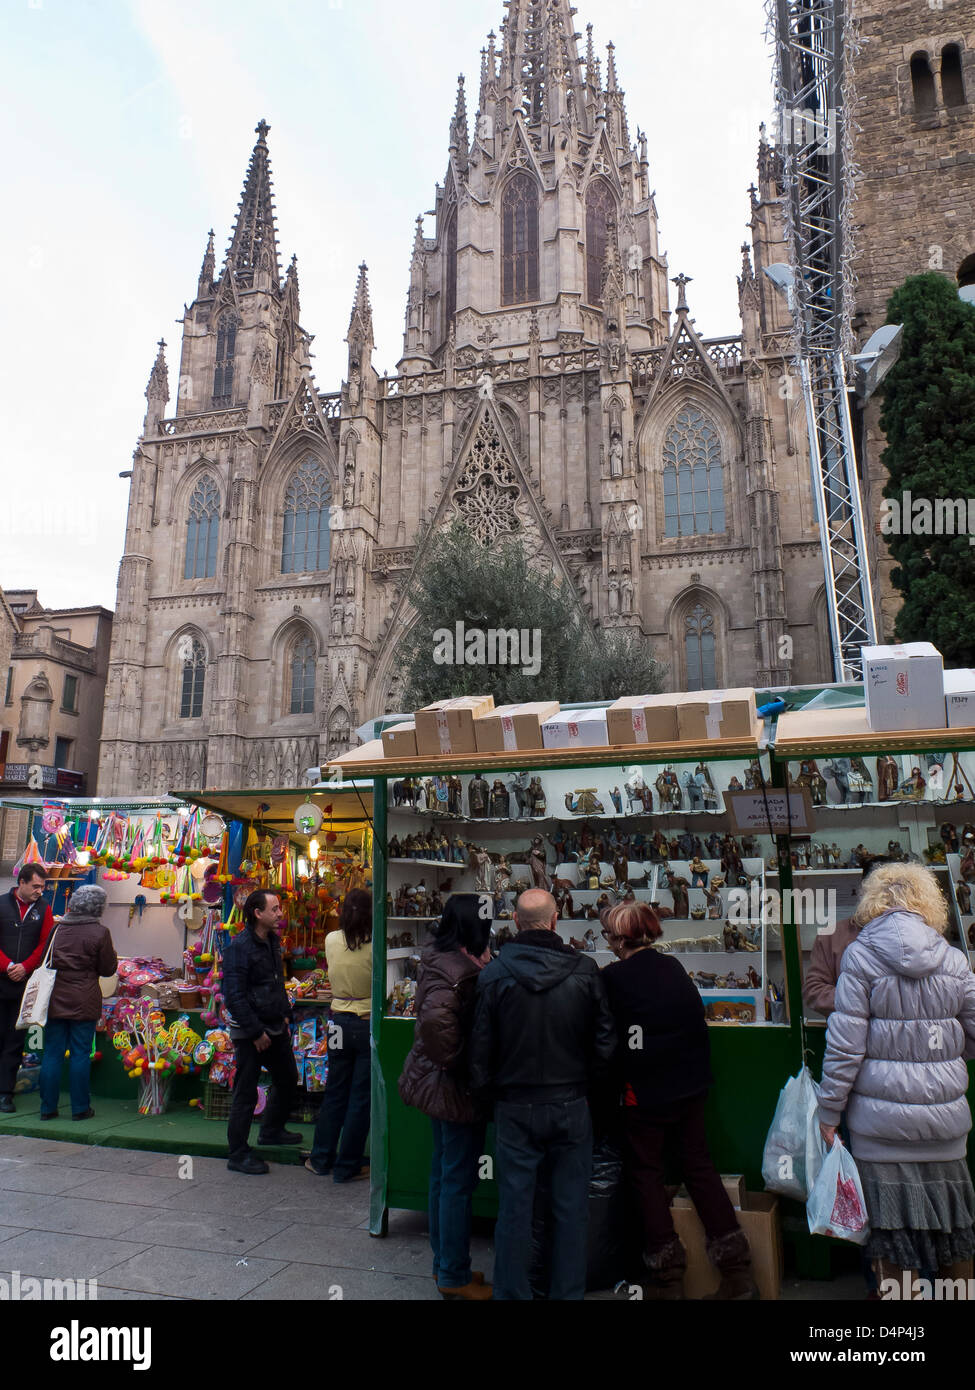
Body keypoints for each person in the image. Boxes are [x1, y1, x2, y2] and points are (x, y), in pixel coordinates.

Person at [817, 862, 975, 1294]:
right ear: (929, 902)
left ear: (874, 903)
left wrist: (829, 1112)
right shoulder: (954, 960)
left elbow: (845, 1046)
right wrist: (944, 1055)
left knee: (891, 1244)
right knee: (954, 1240)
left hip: (880, 1135)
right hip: (946, 1136)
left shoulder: (860, 956)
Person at [600, 900, 756, 1300]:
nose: (608, 942)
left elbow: (608, 1041)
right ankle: (738, 1273)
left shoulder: (614, 978)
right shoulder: (673, 968)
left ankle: (667, 1279)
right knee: (699, 1169)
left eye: (609, 935)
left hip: (644, 1096)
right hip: (689, 1090)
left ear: (621, 938)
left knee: (646, 1174)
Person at [469, 887, 616, 1301]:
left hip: (515, 1107)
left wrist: (488, 1103)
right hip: (571, 1104)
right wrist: (595, 1099)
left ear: (515, 921)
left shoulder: (494, 975)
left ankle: (512, 1294)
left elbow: (479, 1051)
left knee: (515, 1211)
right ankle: (565, 1294)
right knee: (570, 1211)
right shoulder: (585, 971)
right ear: (555, 920)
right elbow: (606, 1045)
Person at [399, 894, 493, 1300]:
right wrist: (465, 1066)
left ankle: (447, 1268)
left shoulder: (443, 961)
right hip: (452, 1089)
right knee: (456, 1180)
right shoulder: (458, 971)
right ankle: (452, 1275)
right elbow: (440, 1028)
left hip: (438, 1085)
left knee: (444, 1176)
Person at [223, 889, 301, 1174]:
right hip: (250, 1033)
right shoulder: (239, 947)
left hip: (275, 1025)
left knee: (288, 1077)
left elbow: (275, 984)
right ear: (258, 913)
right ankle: (238, 1153)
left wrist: (284, 1018)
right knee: (246, 1092)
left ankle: (272, 1130)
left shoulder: (272, 941)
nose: (280, 913)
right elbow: (233, 995)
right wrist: (255, 1032)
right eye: (275, 909)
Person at [306, 889, 372, 1182]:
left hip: (337, 1022)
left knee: (335, 1092)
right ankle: (348, 1165)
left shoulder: (331, 939)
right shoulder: (376, 942)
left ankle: (320, 1158)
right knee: (360, 1097)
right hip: (366, 1022)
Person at [38, 884, 117, 1122]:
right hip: (85, 998)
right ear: (98, 907)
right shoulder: (100, 932)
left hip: (55, 998)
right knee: (80, 1054)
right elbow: (107, 969)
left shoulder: (57, 929)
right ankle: (80, 1108)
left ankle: (47, 1109)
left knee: (52, 1053)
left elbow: (45, 961)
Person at [0, 864, 55, 1113]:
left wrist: (25, 967)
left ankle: (5, 1094)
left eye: (42, 886)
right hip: (1, 979)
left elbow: (46, 944)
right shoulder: (1, 904)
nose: (39, 891)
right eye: (35, 886)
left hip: (24, 987)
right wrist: (8, 965)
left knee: (14, 1042)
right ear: (20, 883)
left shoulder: (44, 909)